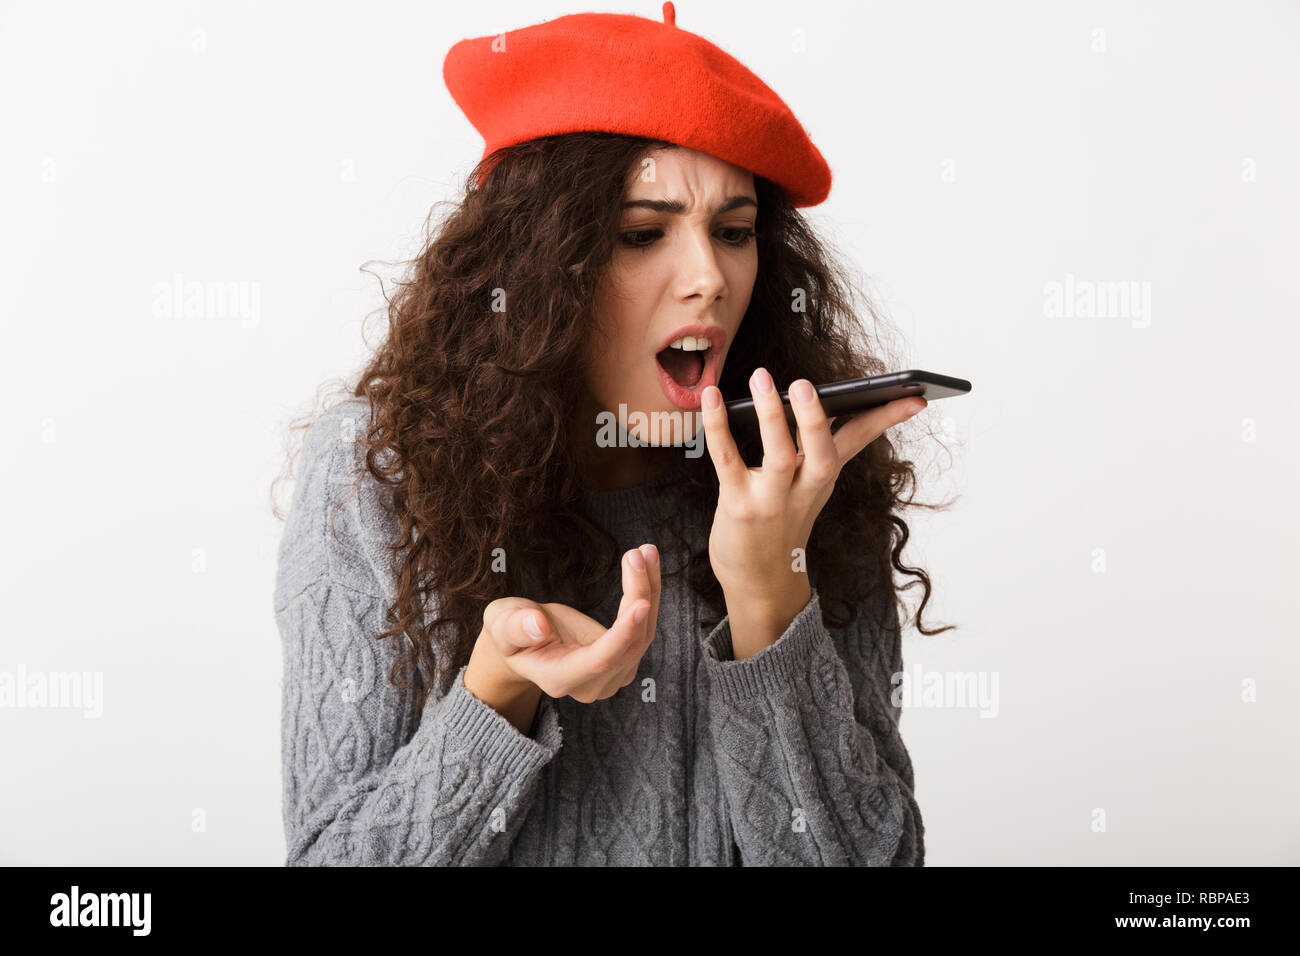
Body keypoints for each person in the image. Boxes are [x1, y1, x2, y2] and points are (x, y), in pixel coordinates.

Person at [273, 3, 950, 866]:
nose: (708, 277)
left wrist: (769, 594)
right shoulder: (377, 474)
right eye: (642, 234)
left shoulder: (806, 477)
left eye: (734, 233)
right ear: (538, 267)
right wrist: (498, 685)